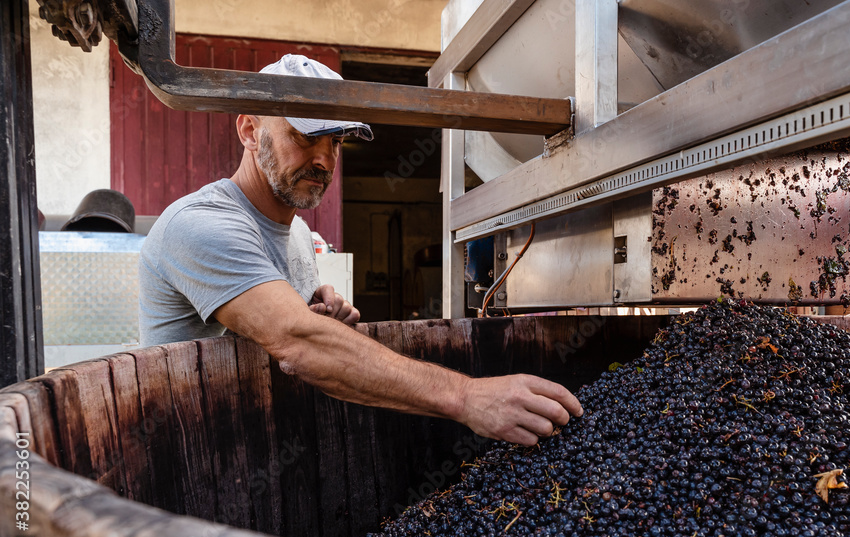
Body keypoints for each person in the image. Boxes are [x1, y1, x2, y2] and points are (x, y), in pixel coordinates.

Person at [139, 54, 582, 445]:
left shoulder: (295, 233)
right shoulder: (200, 225)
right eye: (305, 137)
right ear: (250, 131)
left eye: (335, 141)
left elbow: (290, 333)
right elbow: (296, 343)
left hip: (259, 450)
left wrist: (318, 316)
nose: (325, 161)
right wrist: (467, 397)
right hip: (194, 459)